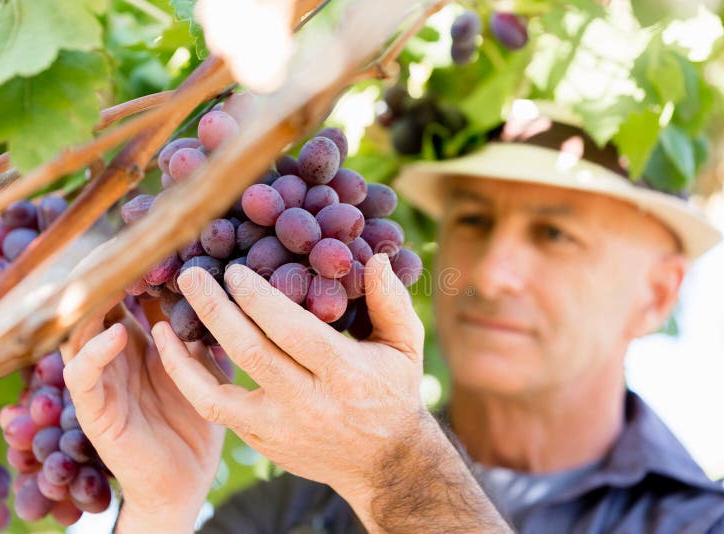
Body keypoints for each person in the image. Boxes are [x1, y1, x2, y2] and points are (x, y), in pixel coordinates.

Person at [61, 103, 724, 533]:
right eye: (472, 219)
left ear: (658, 295)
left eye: (556, 235)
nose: (491, 275)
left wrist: (397, 470)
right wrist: (161, 510)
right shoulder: (284, 515)